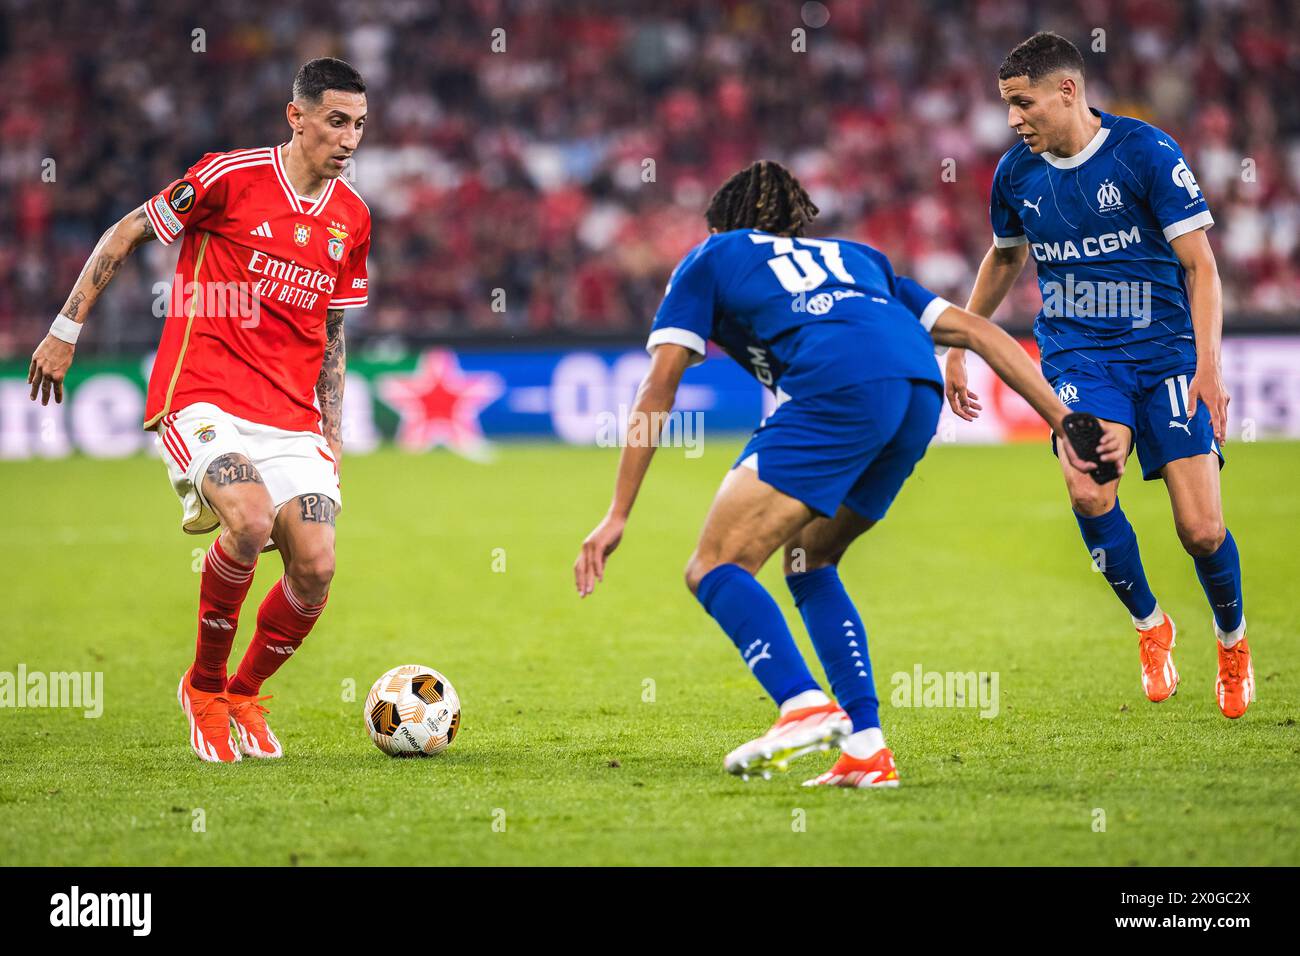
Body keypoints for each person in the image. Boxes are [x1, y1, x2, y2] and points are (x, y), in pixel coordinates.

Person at [574, 160, 1121, 787]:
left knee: (715, 565)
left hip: (840, 387)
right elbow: (973, 330)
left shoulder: (712, 256)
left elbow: (658, 384)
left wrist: (618, 513)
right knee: (810, 561)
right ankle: (865, 746)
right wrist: (1063, 418)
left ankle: (801, 702)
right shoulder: (858, 258)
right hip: (916, 395)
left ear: (725, 225)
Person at [27, 57, 373, 761]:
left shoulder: (352, 218)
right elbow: (124, 233)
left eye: (360, 126)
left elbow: (332, 330)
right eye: (336, 121)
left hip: (292, 415)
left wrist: (330, 433)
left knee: (317, 563)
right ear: (296, 116)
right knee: (247, 520)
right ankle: (204, 686)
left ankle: (243, 693)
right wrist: (65, 331)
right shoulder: (228, 177)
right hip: (204, 394)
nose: (349, 140)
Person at [944, 32, 1253, 717]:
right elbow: (1004, 258)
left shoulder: (1145, 152)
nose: (1013, 119)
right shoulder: (1015, 175)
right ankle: (1151, 626)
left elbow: (1201, 267)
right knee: (1088, 491)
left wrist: (1209, 367)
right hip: (1080, 356)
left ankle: (1231, 639)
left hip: (1168, 352)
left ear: (1067, 90)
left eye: (1022, 104)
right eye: (1006, 108)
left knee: (1200, 530)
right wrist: (959, 342)